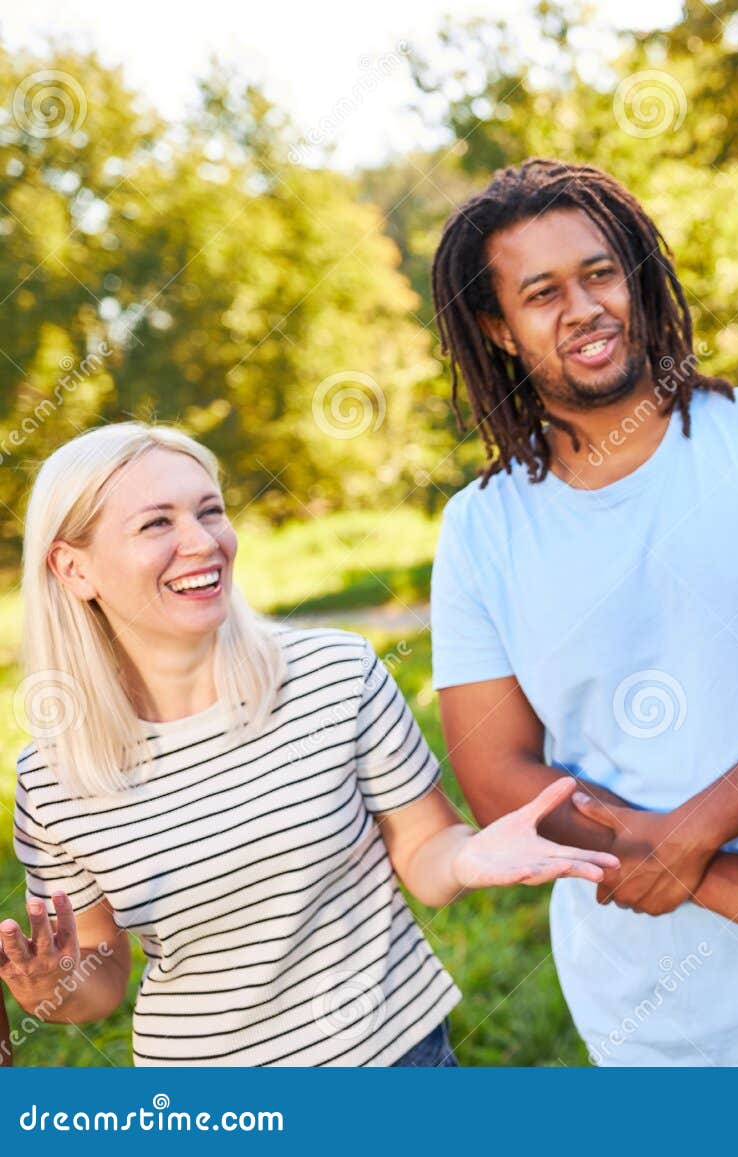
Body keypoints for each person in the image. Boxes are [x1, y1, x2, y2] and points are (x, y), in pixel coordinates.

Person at [426, 158, 738, 1066]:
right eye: (542, 293)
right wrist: (717, 881)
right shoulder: (479, 529)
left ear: (639, 278)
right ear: (498, 328)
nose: (583, 307)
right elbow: (497, 772)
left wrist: (690, 835)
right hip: (650, 1021)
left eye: (600, 273)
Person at [0, 423, 618, 1067]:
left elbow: (427, 848)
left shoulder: (335, 673)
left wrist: (469, 857)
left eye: (210, 511)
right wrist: (54, 990)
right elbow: (98, 977)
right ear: (73, 567)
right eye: (157, 524)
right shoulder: (51, 778)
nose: (202, 541)